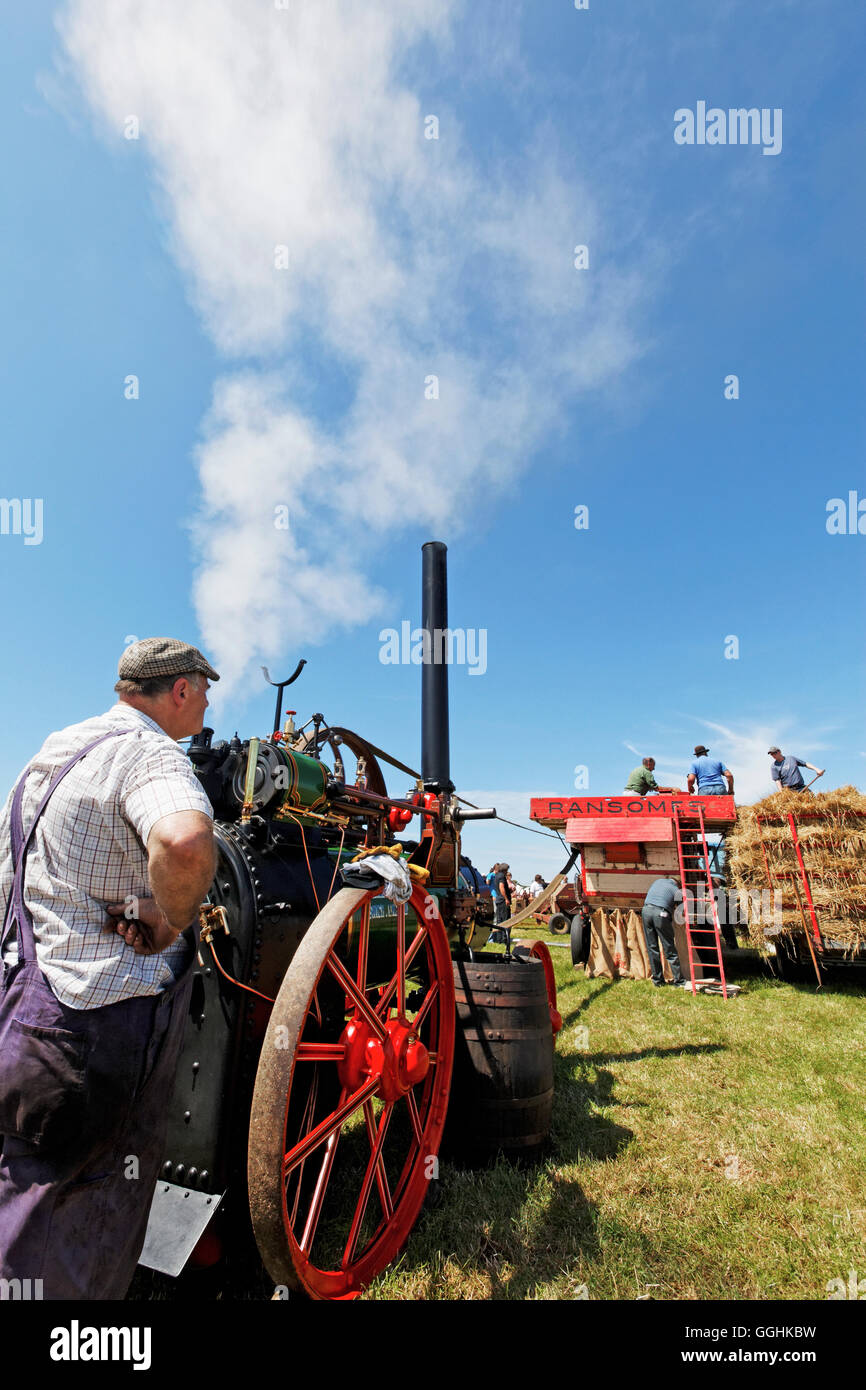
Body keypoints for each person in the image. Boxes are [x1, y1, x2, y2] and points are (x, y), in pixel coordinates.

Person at [0, 637, 219, 1299]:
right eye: (204, 689)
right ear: (179, 689)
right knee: (91, 1215)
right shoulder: (151, 752)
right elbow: (184, 841)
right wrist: (175, 918)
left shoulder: (57, 749)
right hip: (103, 1031)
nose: (208, 702)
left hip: (26, 1009)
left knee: (23, 1198)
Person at [641, 876, 686, 987]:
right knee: (669, 947)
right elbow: (681, 910)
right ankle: (679, 981)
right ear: (678, 884)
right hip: (660, 914)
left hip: (646, 911)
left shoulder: (658, 881)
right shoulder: (676, 890)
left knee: (652, 948)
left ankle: (657, 980)